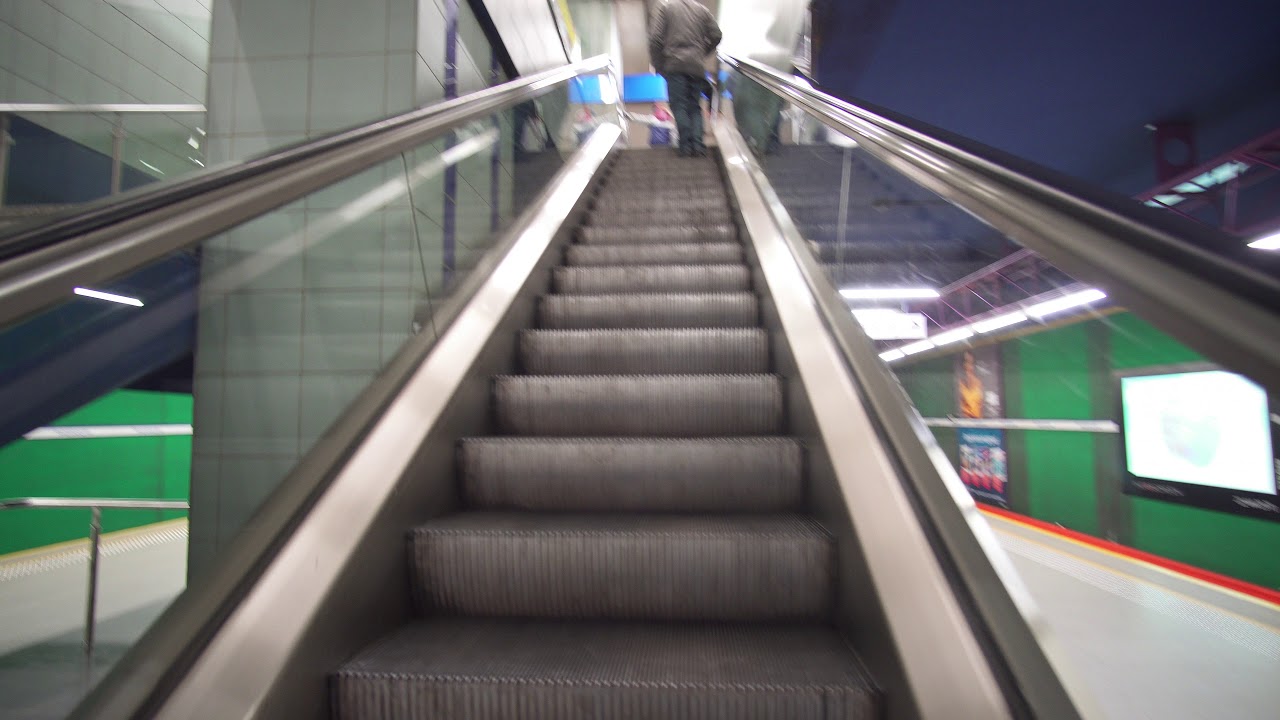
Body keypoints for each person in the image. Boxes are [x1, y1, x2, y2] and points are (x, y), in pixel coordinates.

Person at [648, 0, 722, 157]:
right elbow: (717, 34)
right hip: (696, 66)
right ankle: (698, 145)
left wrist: (658, 65)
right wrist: (702, 52)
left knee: (679, 105)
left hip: (674, 65)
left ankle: (686, 145)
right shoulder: (702, 10)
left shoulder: (665, 8)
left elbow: (655, 39)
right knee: (694, 106)